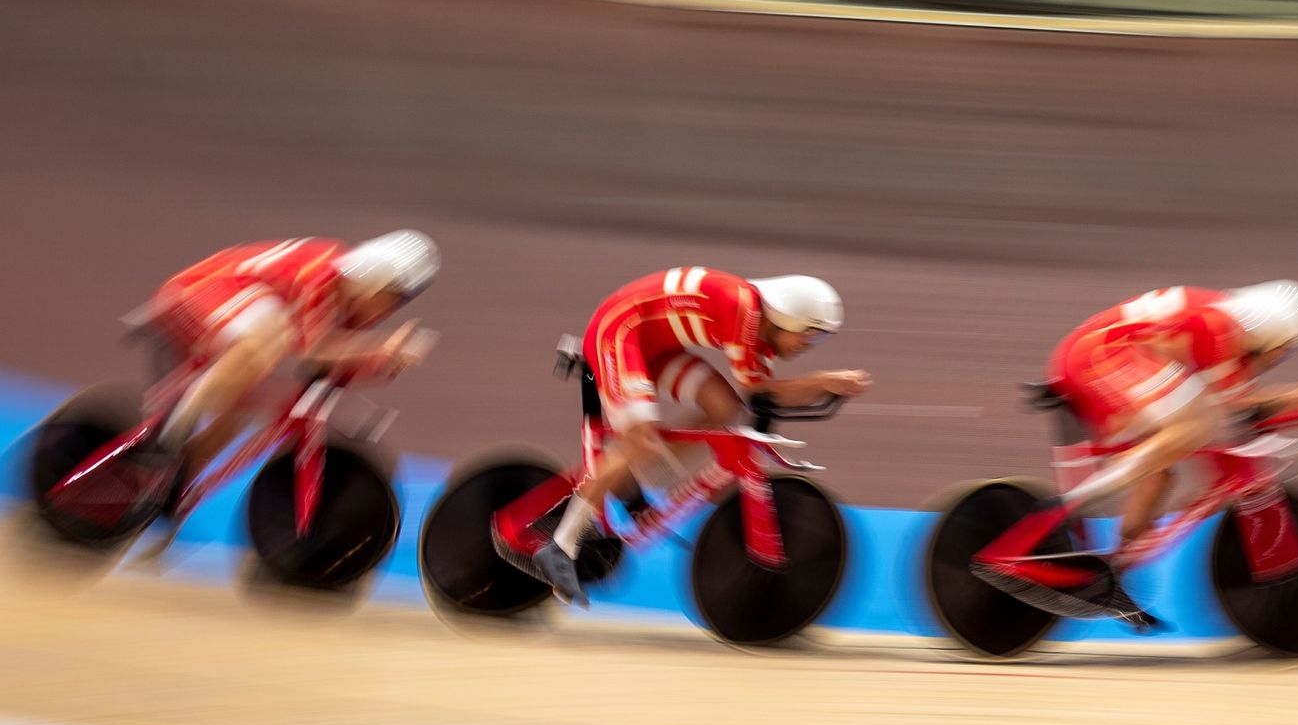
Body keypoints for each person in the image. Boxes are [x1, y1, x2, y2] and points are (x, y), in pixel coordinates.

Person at [973, 281, 1298, 624]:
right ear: (1273, 334)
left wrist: (1294, 403)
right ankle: (1043, 522)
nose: (1280, 358)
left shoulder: (1229, 334)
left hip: (1109, 355)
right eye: (1286, 348)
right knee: (1194, 426)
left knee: (1161, 471)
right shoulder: (1218, 327)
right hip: (1101, 354)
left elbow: (1241, 408)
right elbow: (1234, 408)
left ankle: (1109, 571)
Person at [521, 266, 870, 606]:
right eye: (810, 335)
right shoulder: (744, 312)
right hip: (620, 332)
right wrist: (823, 382)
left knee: (724, 407)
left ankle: (631, 477)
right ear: (790, 318)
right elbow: (760, 388)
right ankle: (561, 544)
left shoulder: (761, 335)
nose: (808, 346)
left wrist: (824, 385)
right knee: (639, 439)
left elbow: (765, 395)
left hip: (654, 347)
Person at [146, 231, 440, 485]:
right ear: (373, 282)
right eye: (391, 298)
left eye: (400, 303)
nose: (388, 311)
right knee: (267, 338)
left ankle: (170, 490)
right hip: (201, 289)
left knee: (238, 414)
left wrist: (384, 365)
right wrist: (377, 348)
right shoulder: (321, 271)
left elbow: (333, 367)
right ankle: (170, 436)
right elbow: (313, 350)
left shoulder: (354, 312)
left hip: (234, 319)